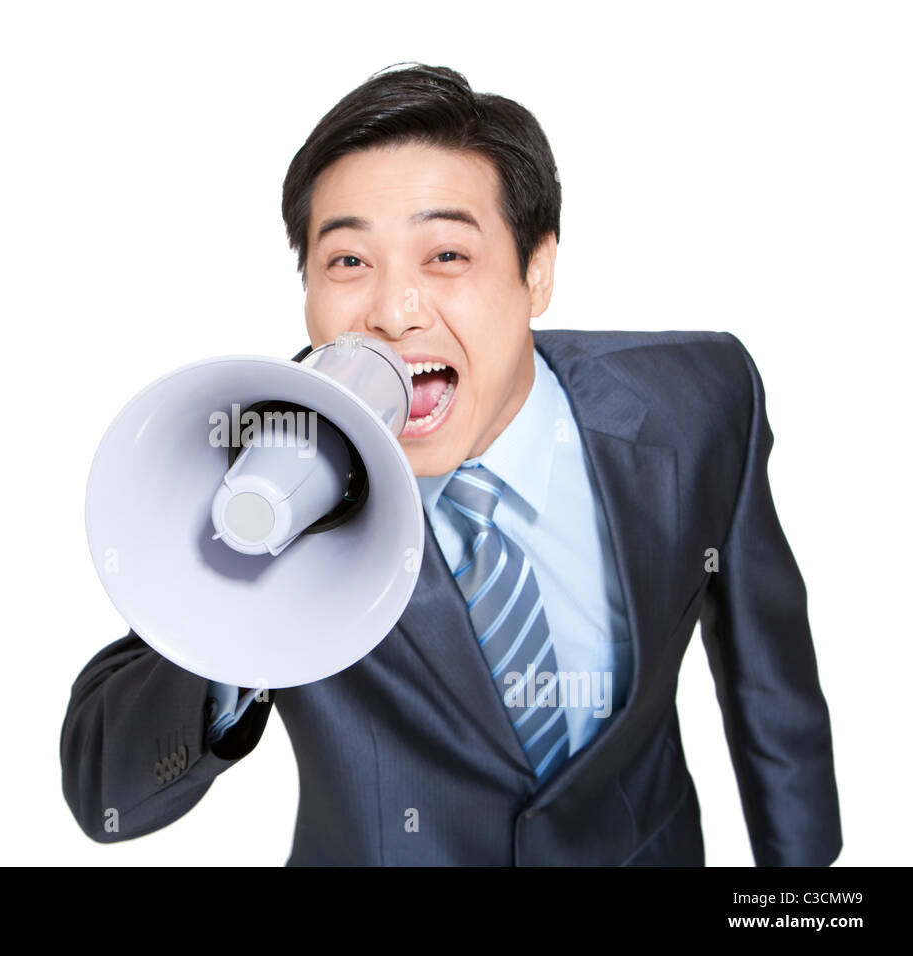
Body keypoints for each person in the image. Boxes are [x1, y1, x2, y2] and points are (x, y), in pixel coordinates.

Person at [59, 62, 842, 865]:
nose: (395, 314)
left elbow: (772, 697)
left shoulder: (699, 401)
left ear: (536, 270)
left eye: (445, 256)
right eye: (349, 263)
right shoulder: (254, 462)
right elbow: (105, 794)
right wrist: (242, 608)